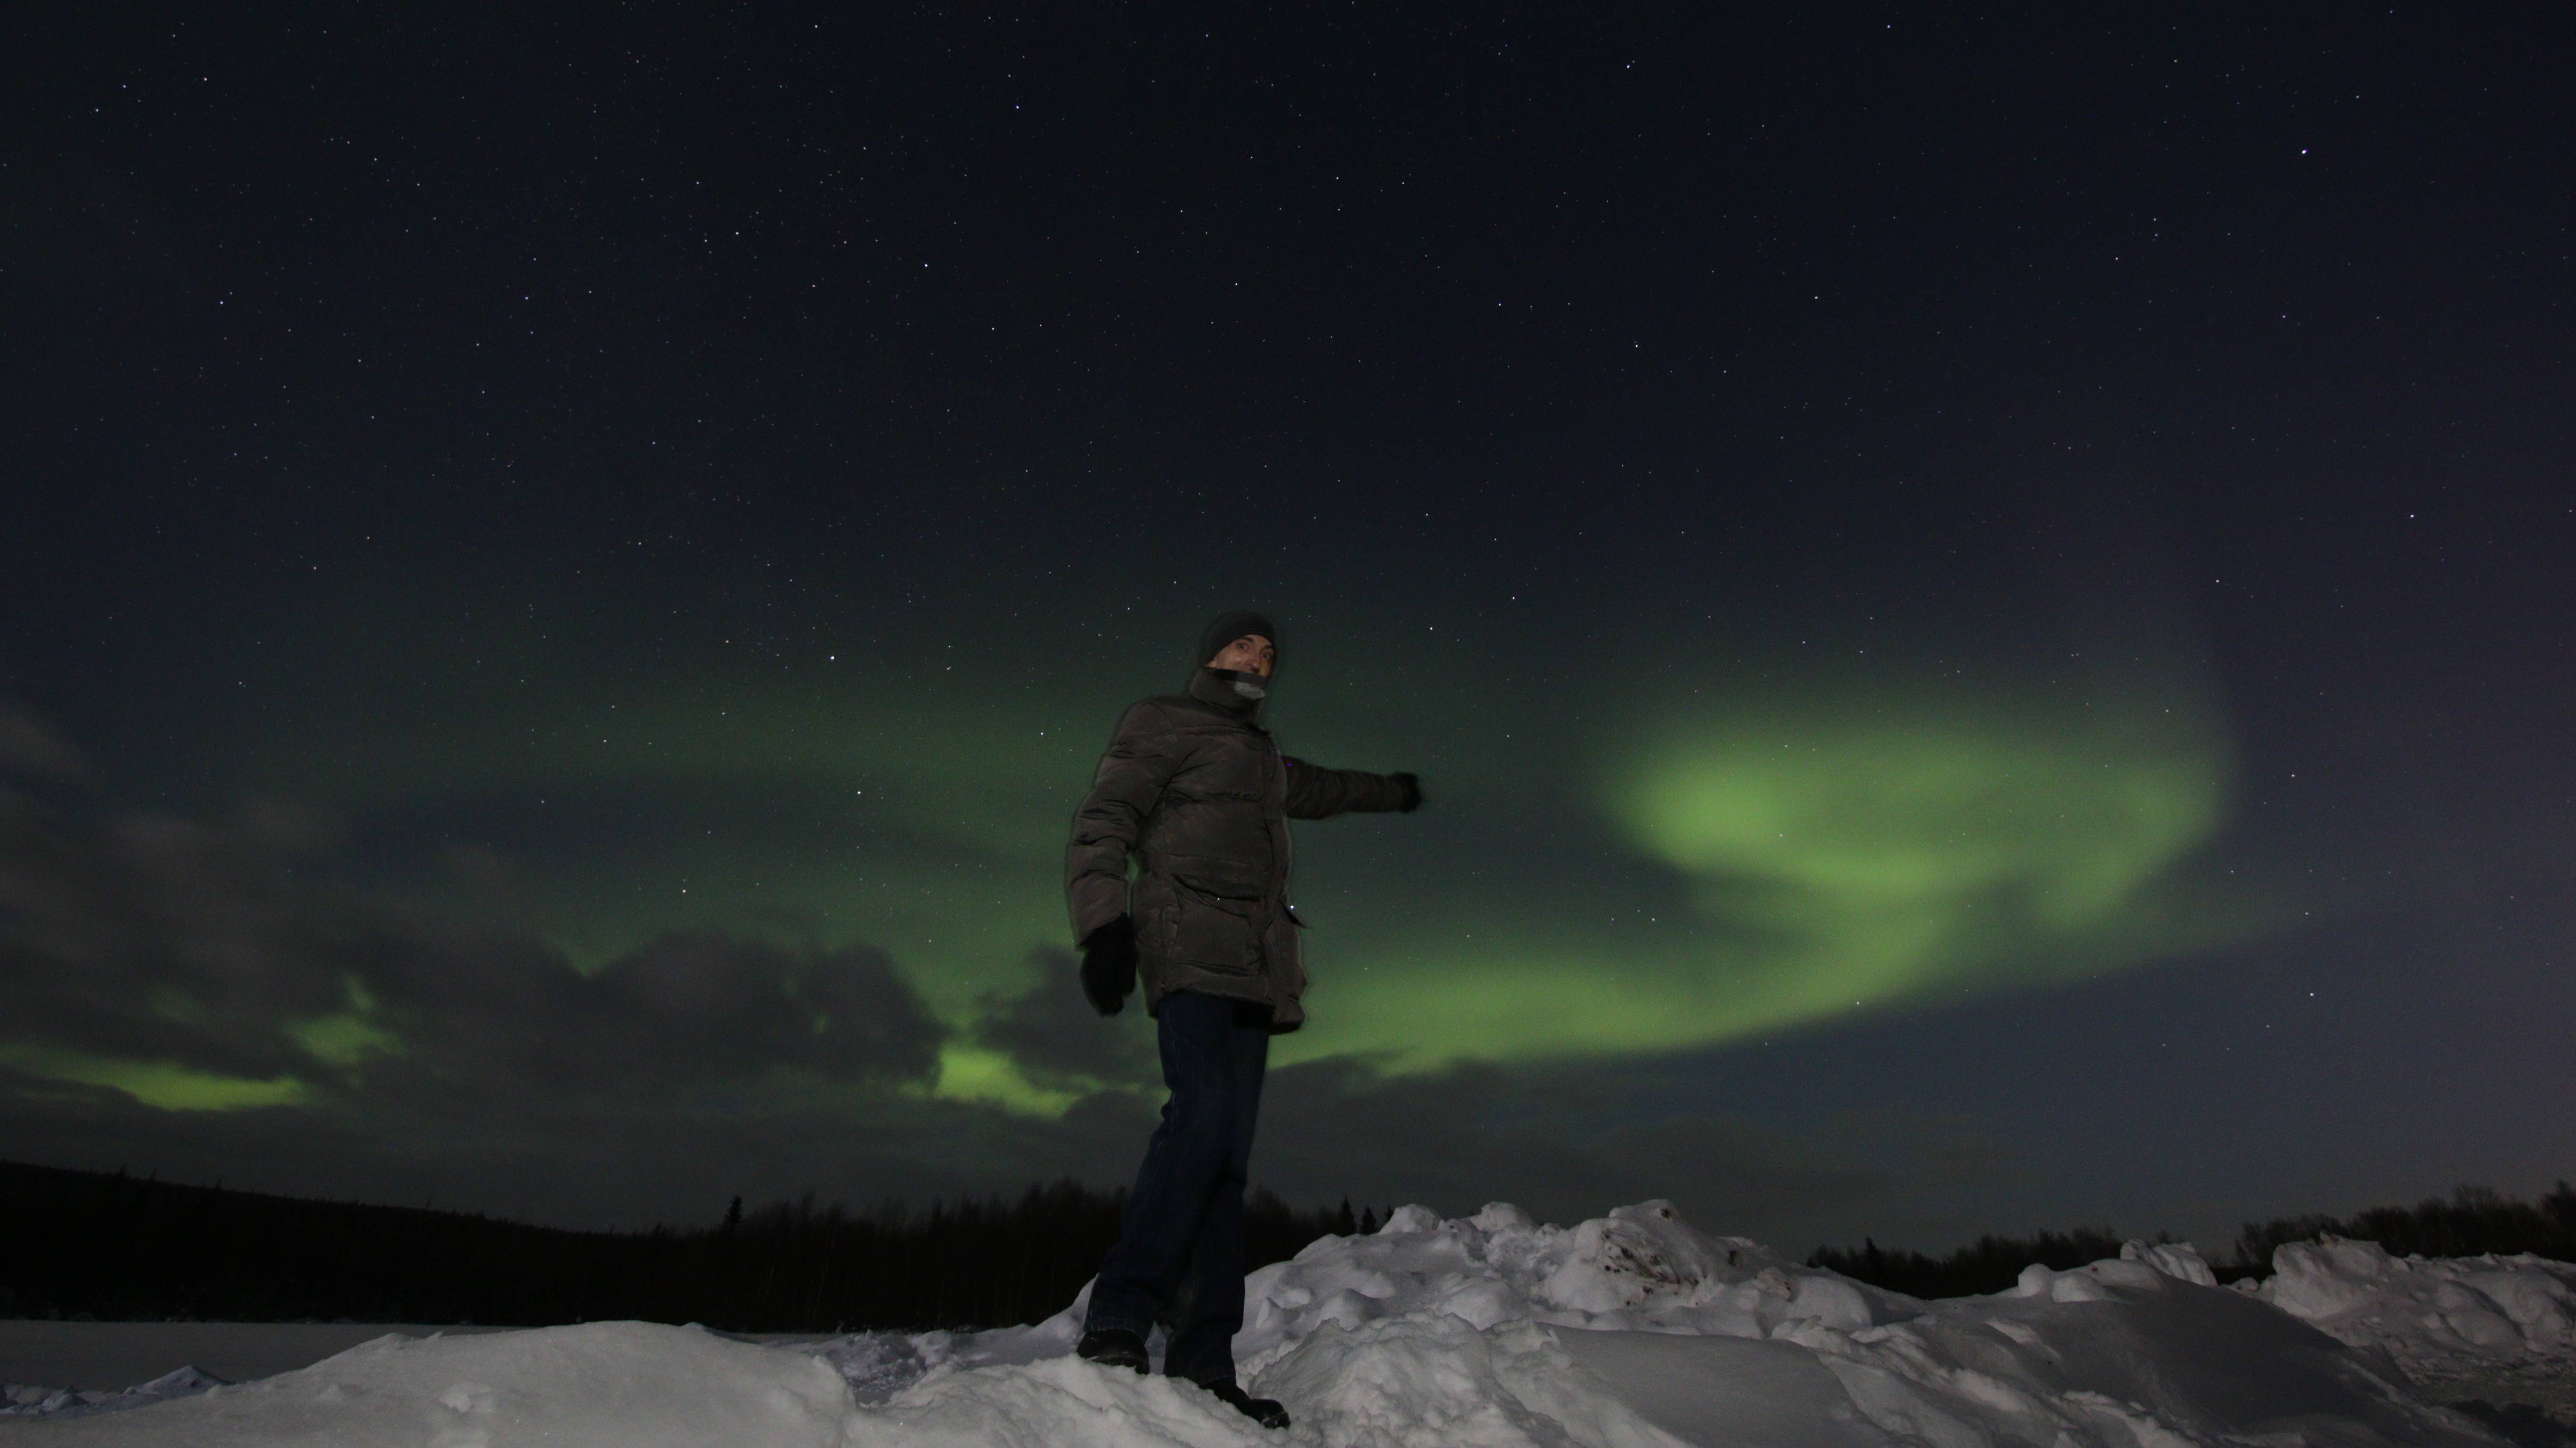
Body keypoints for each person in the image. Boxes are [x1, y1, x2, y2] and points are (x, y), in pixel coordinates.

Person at [1063, 610, 1423, 1431]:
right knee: (1202, 1121)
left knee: (1225, 1163)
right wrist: (1104, 927)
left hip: (1257, 971)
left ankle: (1204, 1362)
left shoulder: (1260, 758)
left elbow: (1325, 788)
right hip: (1186, 938)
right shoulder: (1163, 721)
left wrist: (1394, 793)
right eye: (1242, 646)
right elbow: (1105, 818)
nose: (1257, 658)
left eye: (1267, 652)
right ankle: (1119, 1315)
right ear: (1209, 657)